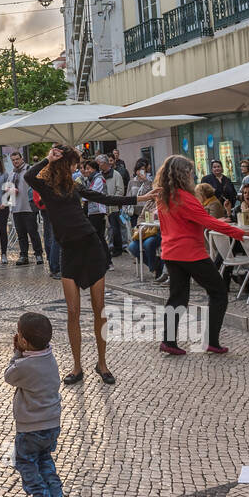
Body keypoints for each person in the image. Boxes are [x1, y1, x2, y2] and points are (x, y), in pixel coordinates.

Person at [26, 145, 143, 385]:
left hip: (91, 247)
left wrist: (141, 198)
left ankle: (102, 364)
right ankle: (77, 367)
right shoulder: (46, 186)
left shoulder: (75, 185)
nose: (77, 167)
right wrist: (48, 159)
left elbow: (105, 198)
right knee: (72, 312)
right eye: (74, 163)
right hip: (69, 251)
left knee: (99, 309)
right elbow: (29, 176)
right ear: (64, 164)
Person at [154, 155, 246, 356]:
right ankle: (211, 341)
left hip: (171, 252)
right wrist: (239, 233)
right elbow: (209, 221)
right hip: (191, 253)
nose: (193, 176)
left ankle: (169, 341)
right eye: (190, 172)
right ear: (183, 174)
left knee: (177, 298)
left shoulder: (163, 197)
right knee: (219, 291)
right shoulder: (186, 199)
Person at [5, 312, 63, 497]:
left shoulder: (25, 365)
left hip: (30, 429)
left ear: (24, 340)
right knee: (45, 459)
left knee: (26, 463)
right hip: (52, 425)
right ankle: (56, 494)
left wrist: (17, 353)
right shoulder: (49, 357)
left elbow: (9, 375)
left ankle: (41, 496)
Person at [9, 150, 43, 265]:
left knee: (33, 232)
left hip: (29, 206)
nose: (15, 162)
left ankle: (38, 254)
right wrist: (10, 191)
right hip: (16, 208)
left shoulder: (29, 170)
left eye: (17, 159)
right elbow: (7, 192)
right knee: (21, 234)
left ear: (21, 159)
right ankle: (23, 255)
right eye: (13, 160)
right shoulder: (12, 174)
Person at [98, 155, 127, 256]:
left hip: (114, 206)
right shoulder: (100, 175)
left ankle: (118, 248)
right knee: (108, 229)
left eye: (99, 163)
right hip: (103, 207)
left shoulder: (116, 174)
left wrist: (112, 200)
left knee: (115, 229)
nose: (98, 165)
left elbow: (120, 190)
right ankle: (110, 246)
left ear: (105, 163)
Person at [128, 200, 163, 283]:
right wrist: (141, 225)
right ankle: (155, 267)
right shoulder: (149, 203)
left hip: (158, 232)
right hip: (145, 232)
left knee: (148, 244)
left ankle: (153, 268)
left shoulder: (165, 202)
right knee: (132, 247)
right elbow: (141, 217)